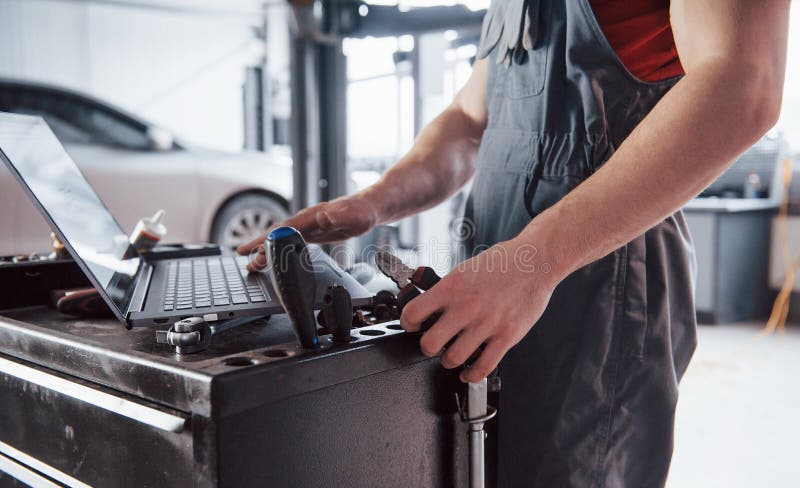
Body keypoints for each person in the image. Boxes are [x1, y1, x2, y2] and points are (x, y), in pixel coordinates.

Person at [239, 0, 789, 485]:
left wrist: (535, 264)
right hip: (496, 274)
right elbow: (468, 120)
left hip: (599, 288)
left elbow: (743, 82)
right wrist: (372, 203)